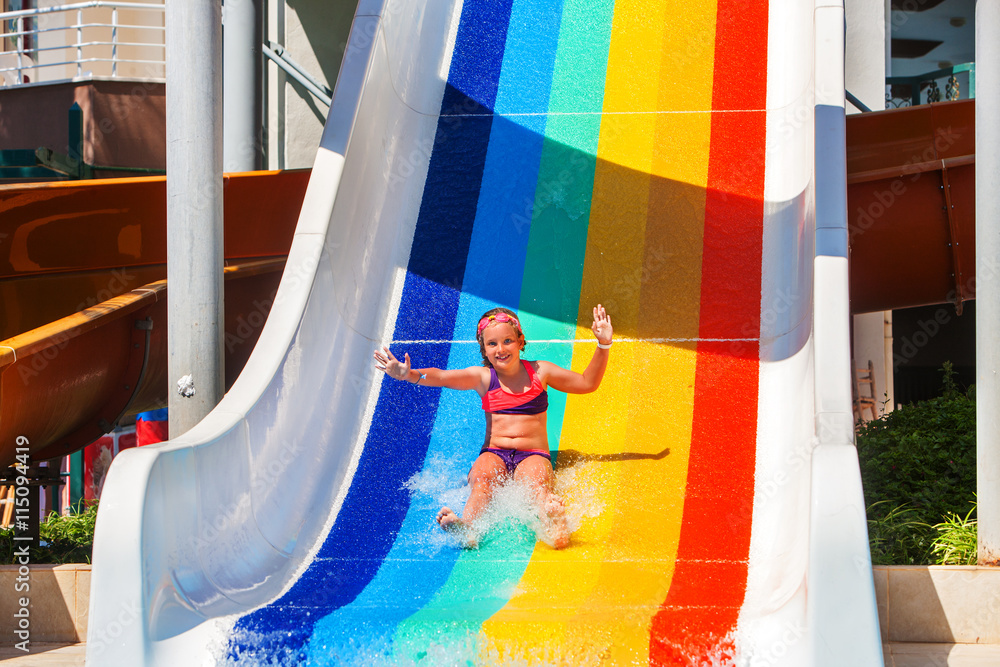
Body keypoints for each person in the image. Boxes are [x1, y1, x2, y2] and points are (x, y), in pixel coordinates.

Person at [373, 304, 613, 549]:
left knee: (538, 483)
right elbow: (441, 377)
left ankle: (554, 527)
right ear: (484, 349)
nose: (501, 349)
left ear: (520, 341)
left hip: (532, 453)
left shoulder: (541, 372)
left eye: (508, 341)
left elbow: (587, 383)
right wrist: (410, 374)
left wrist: (603, 345)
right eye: (492, 344)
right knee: (482, 480)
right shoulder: (483, 377)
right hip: (494, 452)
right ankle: (468, 529)